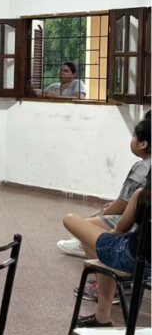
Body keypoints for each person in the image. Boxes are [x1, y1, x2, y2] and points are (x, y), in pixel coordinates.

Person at [57, 117, 151, 302]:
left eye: (134, 136)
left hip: (136, 252)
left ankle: (108, 287)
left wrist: (103, 217)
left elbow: (124, 211)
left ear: (143, 144)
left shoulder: (143, 168)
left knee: (82, 227)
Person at [64, 178, 151, 328]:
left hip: (131, 258)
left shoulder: (143, 195)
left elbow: (120, 229)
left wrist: (105, 238)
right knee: (105, 248)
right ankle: (102, 316)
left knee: (70, 219)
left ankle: (102, 317)